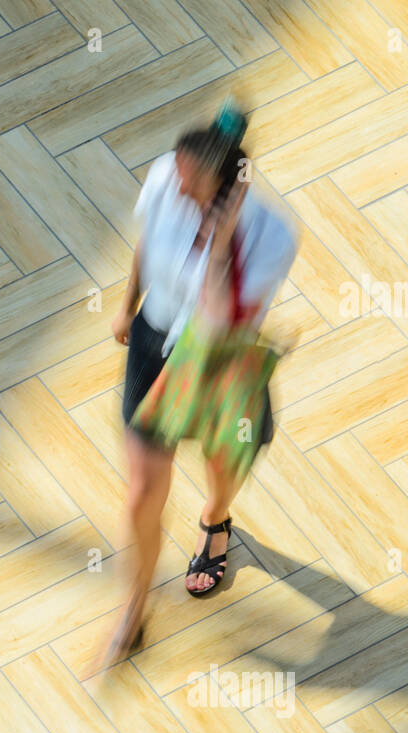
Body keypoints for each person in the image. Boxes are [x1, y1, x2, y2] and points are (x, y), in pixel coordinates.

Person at [101, 101, 299, 666]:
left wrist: (222, 238)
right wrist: (127, 305)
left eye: (192, 182)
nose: (176, 186)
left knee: (223, 461)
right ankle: (134, 608)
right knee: (141, 489)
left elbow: (220, 320)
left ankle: (215, 521)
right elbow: (148, 237)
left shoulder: (271, 236)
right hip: (155, 340)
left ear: (227, 184)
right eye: (177, 173)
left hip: (216, 361)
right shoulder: (168, 175)